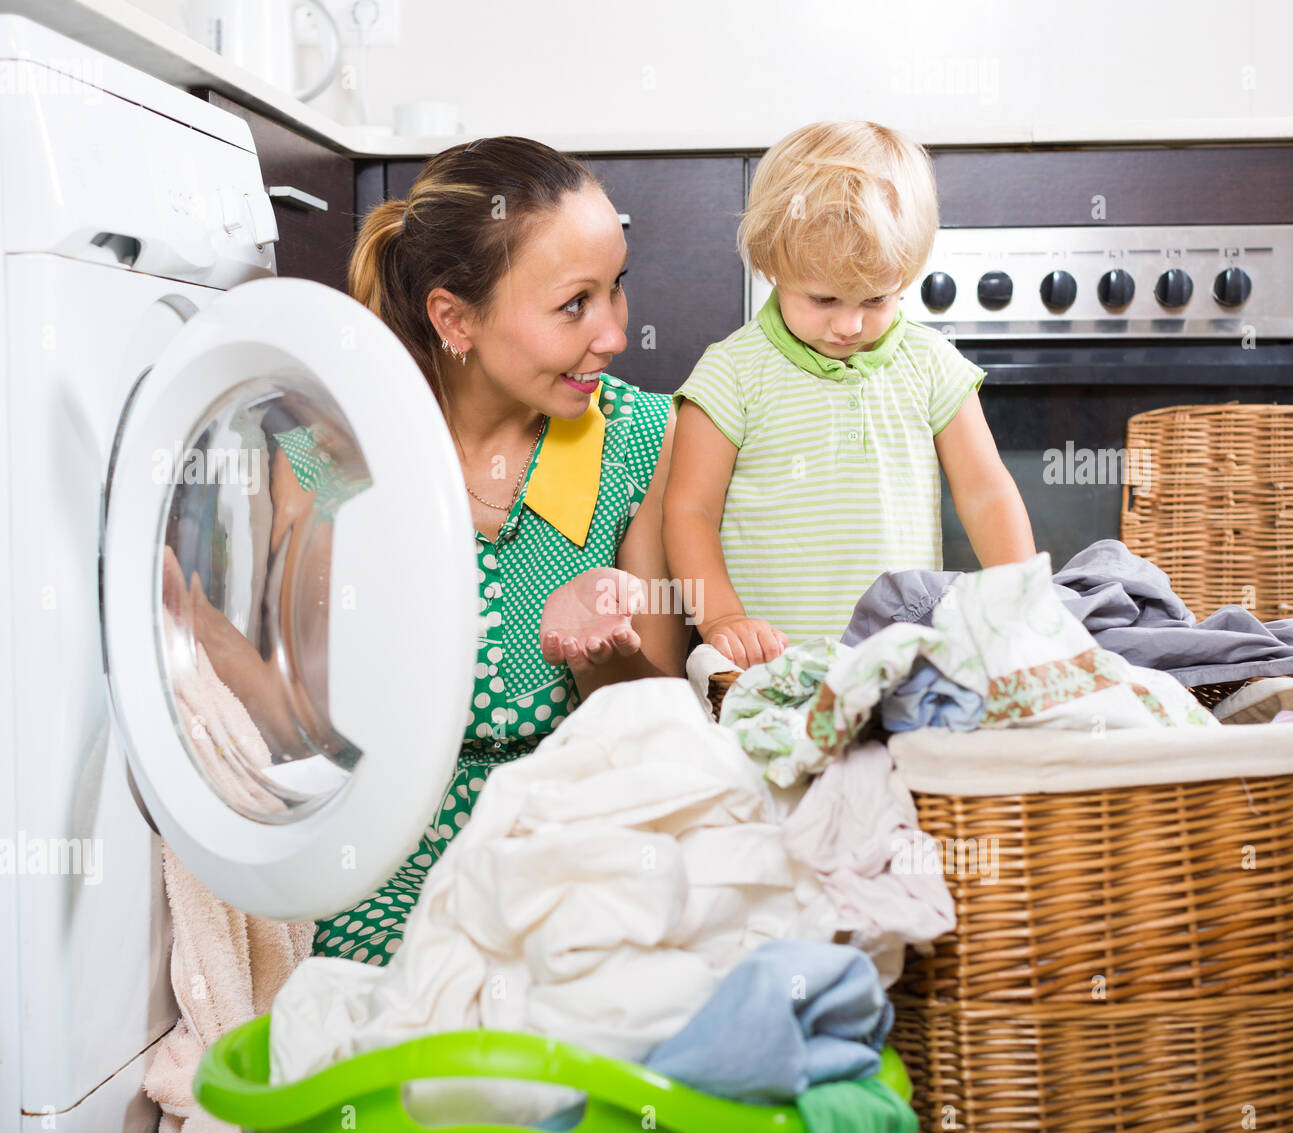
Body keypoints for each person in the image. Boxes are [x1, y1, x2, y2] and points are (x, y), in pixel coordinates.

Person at [314, 137, 689, 965]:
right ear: (456, 319)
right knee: (414, 1013)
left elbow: (660, 729)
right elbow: (300, 714)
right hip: (382, 857)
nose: (615, 334)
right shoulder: (341, 452)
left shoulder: (637, 438)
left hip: (571, 846)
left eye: (616, 288)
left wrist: (595, 650)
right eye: (574, 305)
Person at [664, 120, 1035, 669]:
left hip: (903, 660)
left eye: (877, 298)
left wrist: (1023, 604)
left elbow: (986, 492)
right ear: (772, 267)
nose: (850, 324)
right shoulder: (732, 372)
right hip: (774, 665)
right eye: (824, 298)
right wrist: (721, 617)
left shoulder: (931, 363)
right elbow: (689, 510)